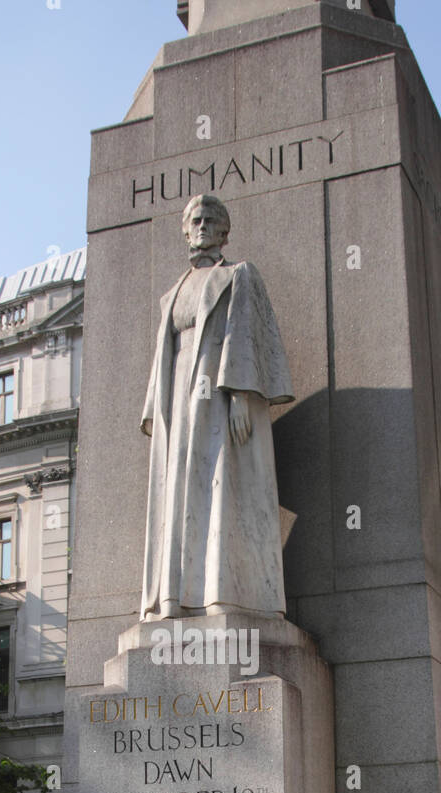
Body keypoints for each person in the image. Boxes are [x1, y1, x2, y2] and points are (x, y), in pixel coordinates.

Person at [140, 193, 294, 621]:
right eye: (196, 220)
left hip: (219, 391)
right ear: (186, 230)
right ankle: (175, 598)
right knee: (181, 497)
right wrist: (157, 409)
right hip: (180, 401)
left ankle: (221, 595)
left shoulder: (240, 275)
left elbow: (245, 334)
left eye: (211, 219)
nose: (203, 226)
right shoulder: (171, 295)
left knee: (222, 488)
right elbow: (164, 355)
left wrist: (242, 394)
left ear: (225, 231)